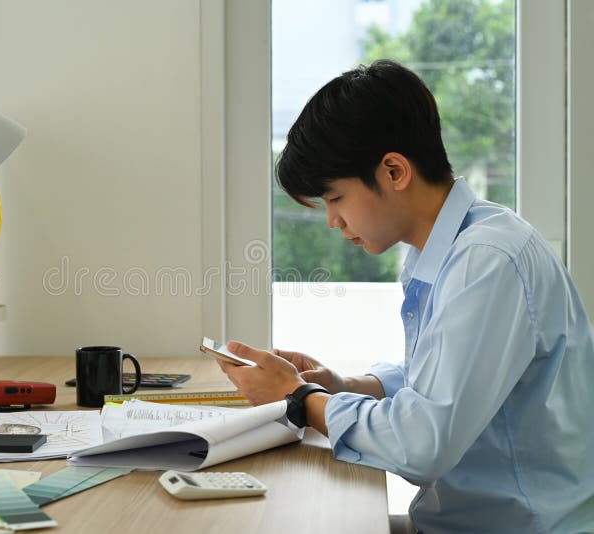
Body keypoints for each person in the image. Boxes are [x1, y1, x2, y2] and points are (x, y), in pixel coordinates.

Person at [218, 60, 594, 533]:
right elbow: (437, 382)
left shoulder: (488, 261)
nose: (332, 221)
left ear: (394, 171)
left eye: (335, 199)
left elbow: (423, 445)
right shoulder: (442, 248)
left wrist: (298, 398)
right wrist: (345, 385)